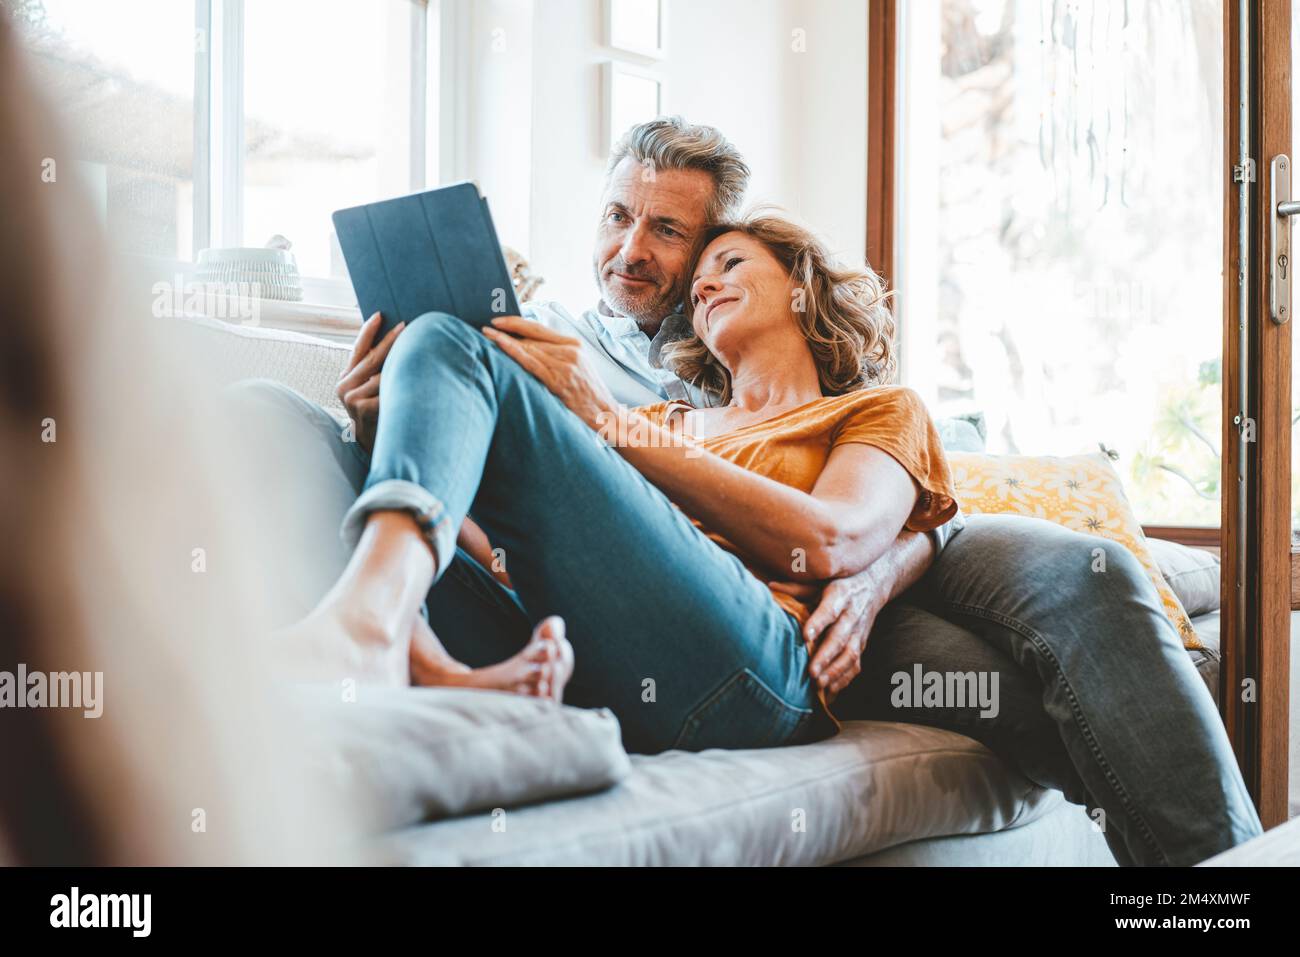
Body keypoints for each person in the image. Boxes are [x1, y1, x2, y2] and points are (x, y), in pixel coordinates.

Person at [238, 117, 1262, 866]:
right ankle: (404, 646)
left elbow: (838, 534)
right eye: (622, 222)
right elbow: (533, 540)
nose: (689, 275)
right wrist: (388, 424)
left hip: (748, 664)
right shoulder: (664, 409)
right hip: (583, 637)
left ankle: (372, 633)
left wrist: (598, 420)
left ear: (798, 284)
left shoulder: (871, 410)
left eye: (718, 254)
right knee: (278, 411)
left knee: (454, 347)